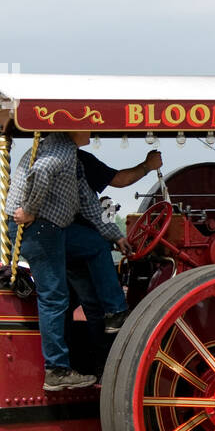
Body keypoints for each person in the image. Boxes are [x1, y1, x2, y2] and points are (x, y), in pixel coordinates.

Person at [6, 130, 134, 392]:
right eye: (86, 125)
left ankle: (116, 312)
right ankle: (57, 370)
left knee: (96, 245)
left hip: (55, 228)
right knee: (54, 296)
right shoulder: (60, 149)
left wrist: (116, 237)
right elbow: (40, 172)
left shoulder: (71, 155)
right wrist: (30, 210)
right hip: (39, 229)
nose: (92, 131)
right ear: (72, 128)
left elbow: (87, 203)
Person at [67, 146, 163, 369]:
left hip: (56, 242)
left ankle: (81, 362)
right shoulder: (75, 159)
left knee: (63, 304)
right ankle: (115, 315)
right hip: (76, 244)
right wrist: (147, 166)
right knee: (94, 303)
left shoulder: (49, 155)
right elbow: (119, 180)